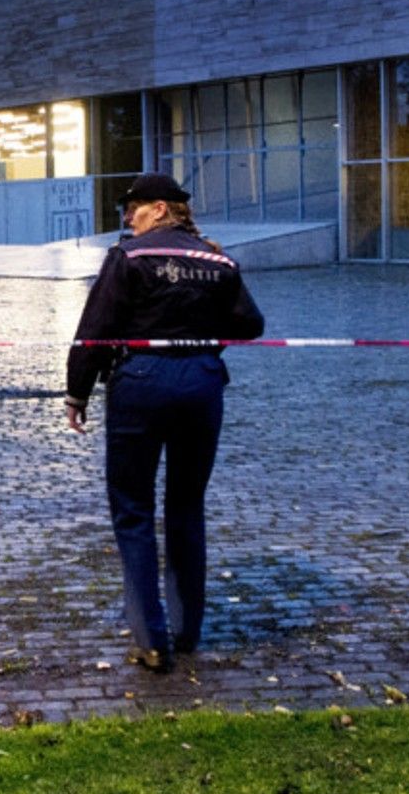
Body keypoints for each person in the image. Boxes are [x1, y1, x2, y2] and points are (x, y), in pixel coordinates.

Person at [63, 174, 263, 673]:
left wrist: (77, 392)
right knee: (186, 504)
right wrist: (200, 332)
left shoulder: (128, 257)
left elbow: (95, 330)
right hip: (201, 383)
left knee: (132, 508)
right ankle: (186, 630)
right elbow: (250, 324)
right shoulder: (218, 260)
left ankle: (151, 640)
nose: (126, 219)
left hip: (141, 382)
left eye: (132, 209)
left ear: (158, 208)